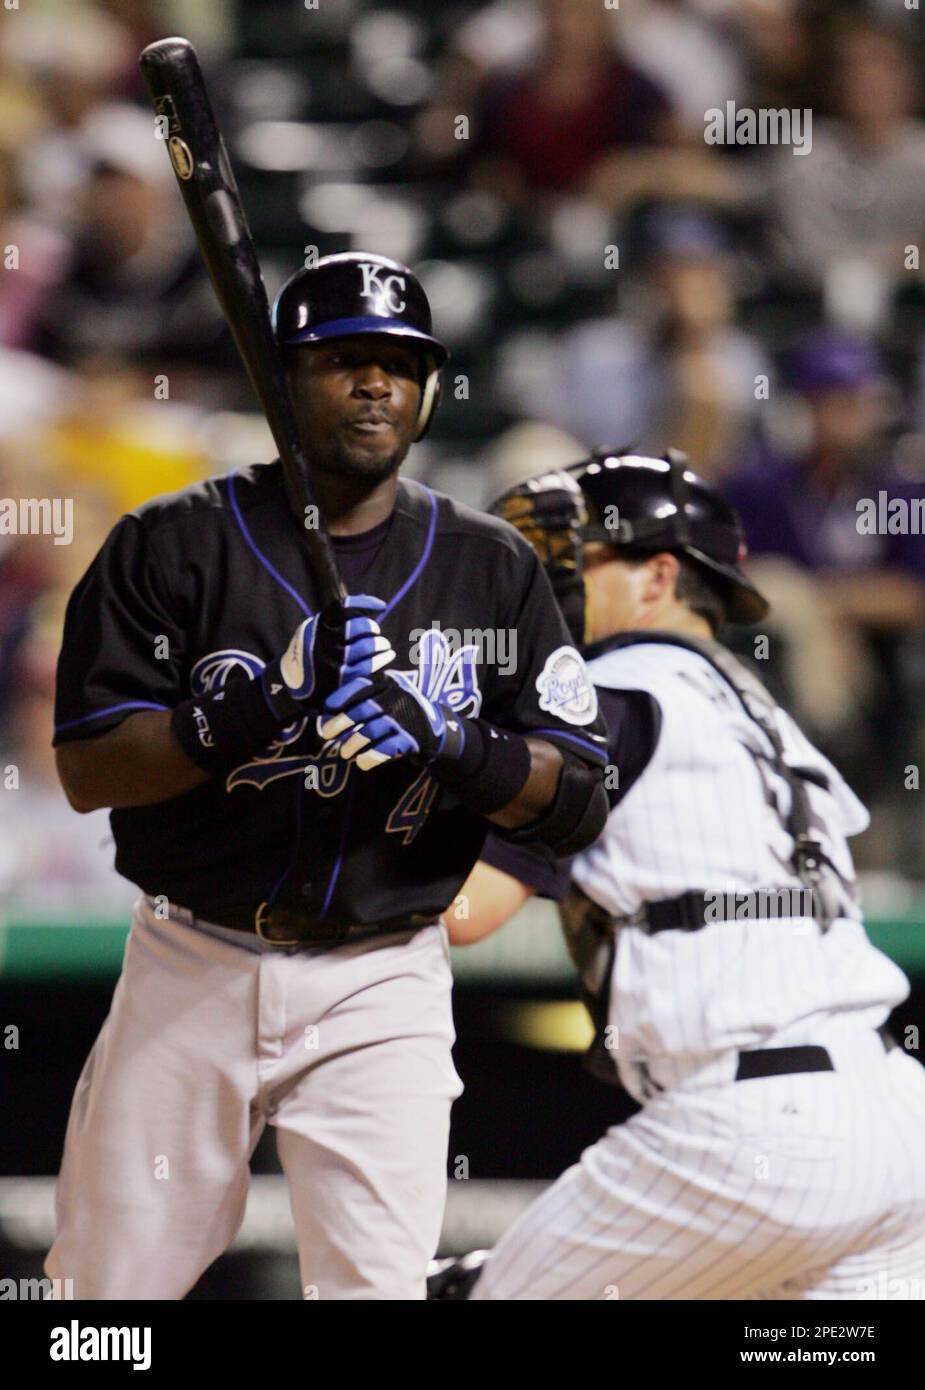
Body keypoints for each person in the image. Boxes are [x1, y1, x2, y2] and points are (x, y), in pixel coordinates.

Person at [46, 251, 608, 1301]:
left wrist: (451, 741)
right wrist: (253, 706)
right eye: (343, 359)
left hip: (380, 973)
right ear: (278, 378)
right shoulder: (171, 545)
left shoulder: (489, 567)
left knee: (373, 1289)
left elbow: (575, 794)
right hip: (191, 954)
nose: (374, 384)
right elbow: (89, 766)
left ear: (428, 388)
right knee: (102, 1295)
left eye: (399, 363)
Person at [431, 451, 925, 1300]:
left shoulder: (605, 694)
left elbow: (468, 914)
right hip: (891, 1122)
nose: (550, 583)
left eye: (576, 560)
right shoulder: (762, 714)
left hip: (747, 1128)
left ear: (658, 574)